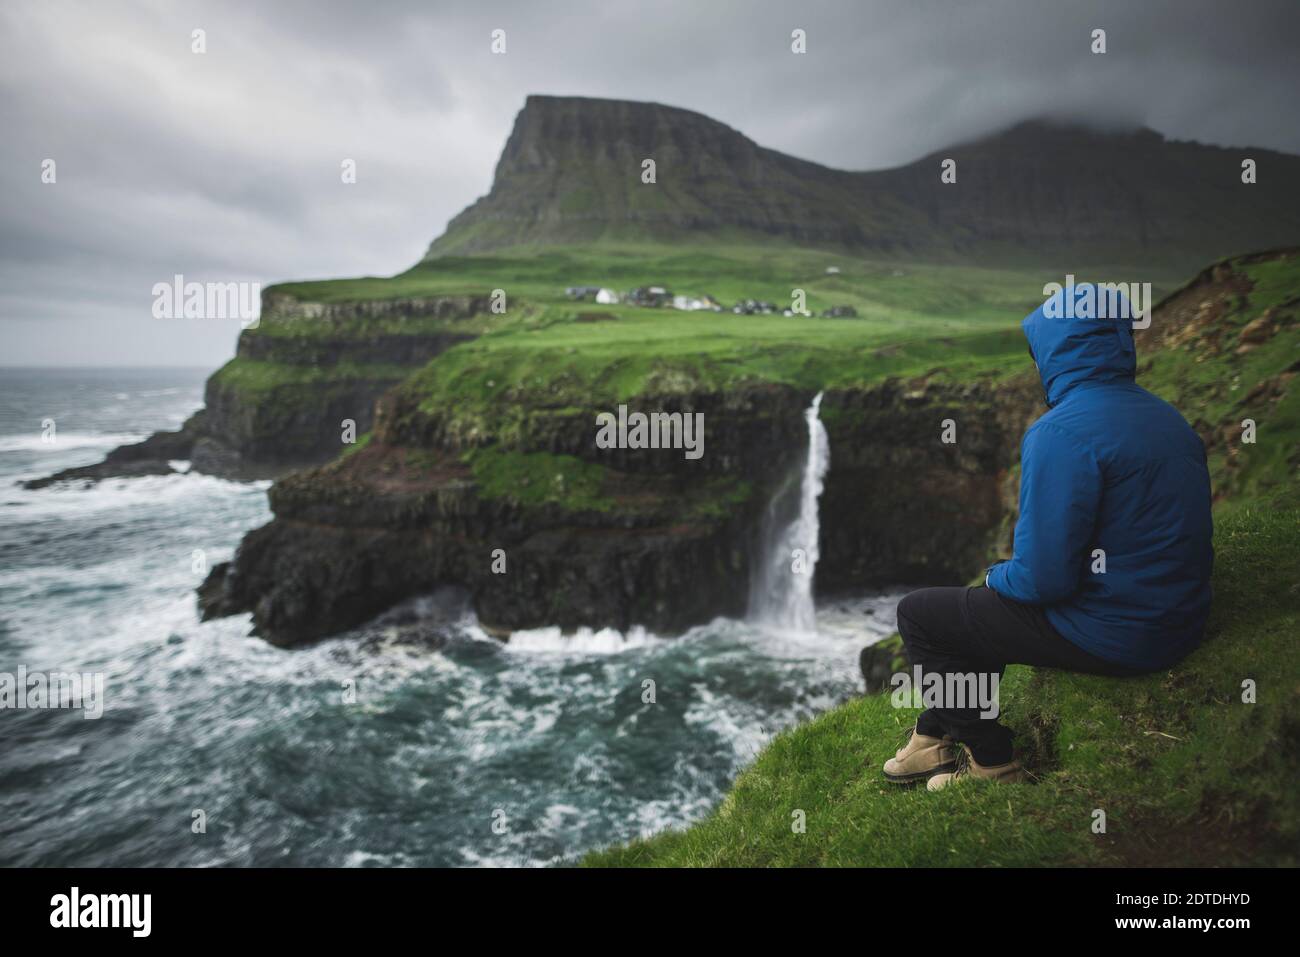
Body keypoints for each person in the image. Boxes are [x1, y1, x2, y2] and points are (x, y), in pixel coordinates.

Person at [883, 283, 1214, 790]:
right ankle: (931, 738)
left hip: (1119, 635)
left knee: (922, 614)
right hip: (1178, 620)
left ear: (1055, 351)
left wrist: (997, 576)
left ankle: (992, 763)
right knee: (974, 613)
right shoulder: (1167, 419)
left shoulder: (1061, 432)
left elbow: (1042, 583)